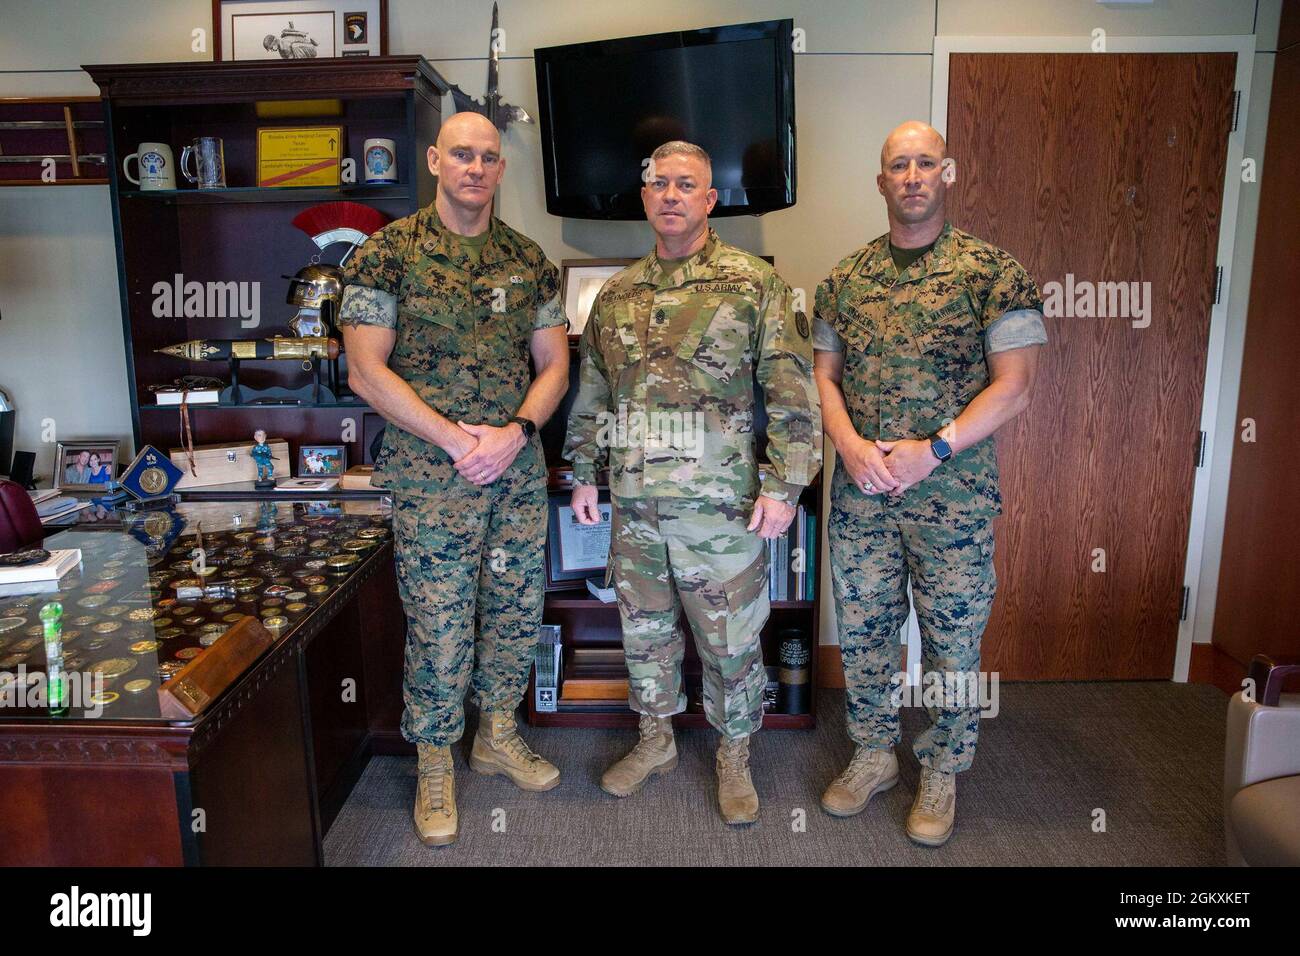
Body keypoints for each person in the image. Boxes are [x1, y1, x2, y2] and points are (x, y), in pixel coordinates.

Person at [564, 141, 821, 825]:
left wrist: (785, 485)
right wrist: (584, 472)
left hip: (721, 506)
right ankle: (655, 742)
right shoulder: (616, 295)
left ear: (710, 200)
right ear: (644, 196)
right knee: (644, 632)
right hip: (637, 507)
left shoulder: (753, 283)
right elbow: (593, 392)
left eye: (688, 185)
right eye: (659, 184)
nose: (671, 195)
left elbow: (792, 390)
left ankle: (734, 756)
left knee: (731, 638)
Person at [339, 111, 570, 847]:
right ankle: (434, 759)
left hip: (514, 473)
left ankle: (496, 734)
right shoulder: (385, 256)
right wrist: (454, 440)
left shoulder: (529, 261)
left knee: (512, 609)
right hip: (430, 475)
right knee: (439, 623)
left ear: (502, 171)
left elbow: (555, 365)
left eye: (489, 158)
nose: (475, 167)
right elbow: (364, 371)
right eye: (461, 154)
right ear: (437, 161)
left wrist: (514, 434)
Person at [813, 121, 1046, 846]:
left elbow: (1017, 387)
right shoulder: (843, 281)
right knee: (865, 634)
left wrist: (933, 451)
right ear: (880, 182)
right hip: (862, 496)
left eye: (924, 163)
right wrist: (849, 447)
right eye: (897, 166)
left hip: (954, 500)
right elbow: (822, 378)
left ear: (947, 173)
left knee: (953, 640)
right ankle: (874, 752)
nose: (911, 176)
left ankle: (943, 764)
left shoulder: (992, 273)